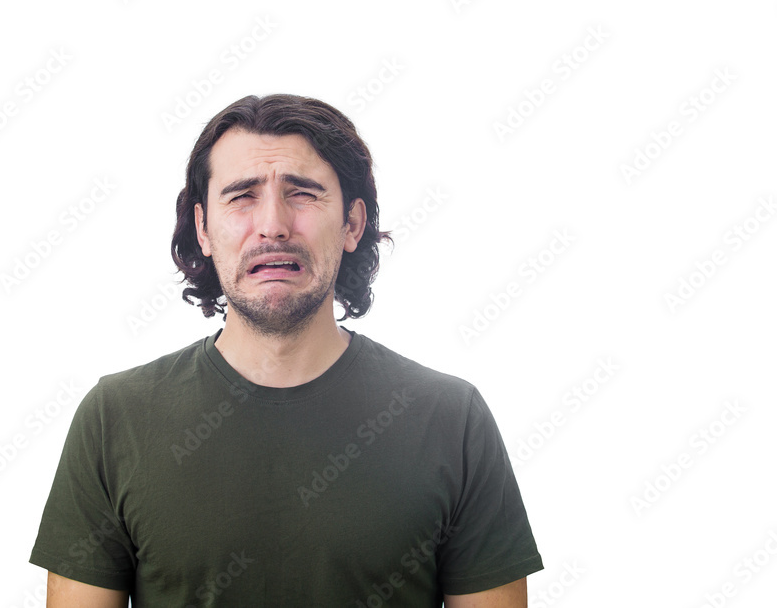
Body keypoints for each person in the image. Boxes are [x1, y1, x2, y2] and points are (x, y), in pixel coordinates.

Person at [29, 94, 543, 607]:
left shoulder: (452, 420)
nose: (273, 224)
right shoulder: (114, 419)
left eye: (302, 194)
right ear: (204, 228)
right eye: (242, 196)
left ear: (352, 225)